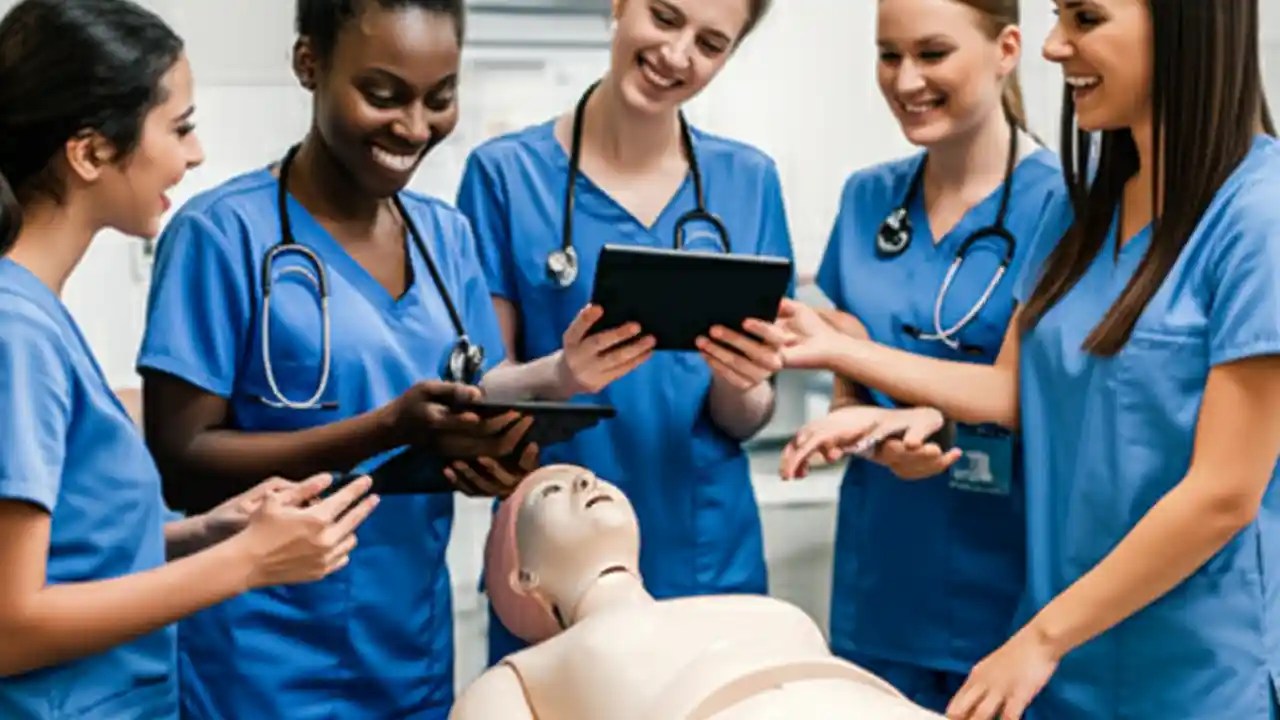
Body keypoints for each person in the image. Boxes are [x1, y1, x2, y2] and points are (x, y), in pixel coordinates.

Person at [777, 1, 1280, 718]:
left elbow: (1223, 493)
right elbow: (1013, 388)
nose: (1054, 46)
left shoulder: (1259, 215)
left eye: (1086, 18)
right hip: (1063, 661)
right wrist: (865, 375)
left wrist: (1041, 640)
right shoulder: (1086, 202)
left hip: (1191, 673)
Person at [135, 1, 553, 717]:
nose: (414, 127)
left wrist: (494, 460)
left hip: (409, 655)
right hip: (258, 664)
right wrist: (386, 428)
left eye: (439, 98)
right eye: (383, 94)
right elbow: (182, 463)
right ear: (310, 64)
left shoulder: (447, 238)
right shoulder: (221, 234)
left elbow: (464, 411)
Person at [0, 1, 377, 718]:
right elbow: (9, 628)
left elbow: (72, 554)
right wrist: (245, 564)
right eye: (179, 128)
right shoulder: (15, 330)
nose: (195, 153)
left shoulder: (35, 314)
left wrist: (204, 534)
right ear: (90, 153)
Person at [456, 0, 796, 664]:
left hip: (704, 557)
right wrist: (564, 375)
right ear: (620, 5)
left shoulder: (748, 181)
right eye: (664, 18)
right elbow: (482, 389)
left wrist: (740, 381)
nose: (677, 55)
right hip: (555, 562)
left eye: (710, 44)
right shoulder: (504, 175)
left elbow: (747, 416)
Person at [775, 0, 1065, 713]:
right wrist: (868, 433)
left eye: (933, 54)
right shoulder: (869, 197)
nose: (906, 81)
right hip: (882, 589)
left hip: (1010, 599)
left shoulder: (1064, 204)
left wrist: (846, 351)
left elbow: (1020, 393)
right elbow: (850, 381)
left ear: (1006, 49)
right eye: (889, 55)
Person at [451, 464, 944, 720]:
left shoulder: (744, 608)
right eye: (551, 493)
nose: (584, 480)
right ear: (524, 577)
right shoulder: (521, 677)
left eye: (590, 478)